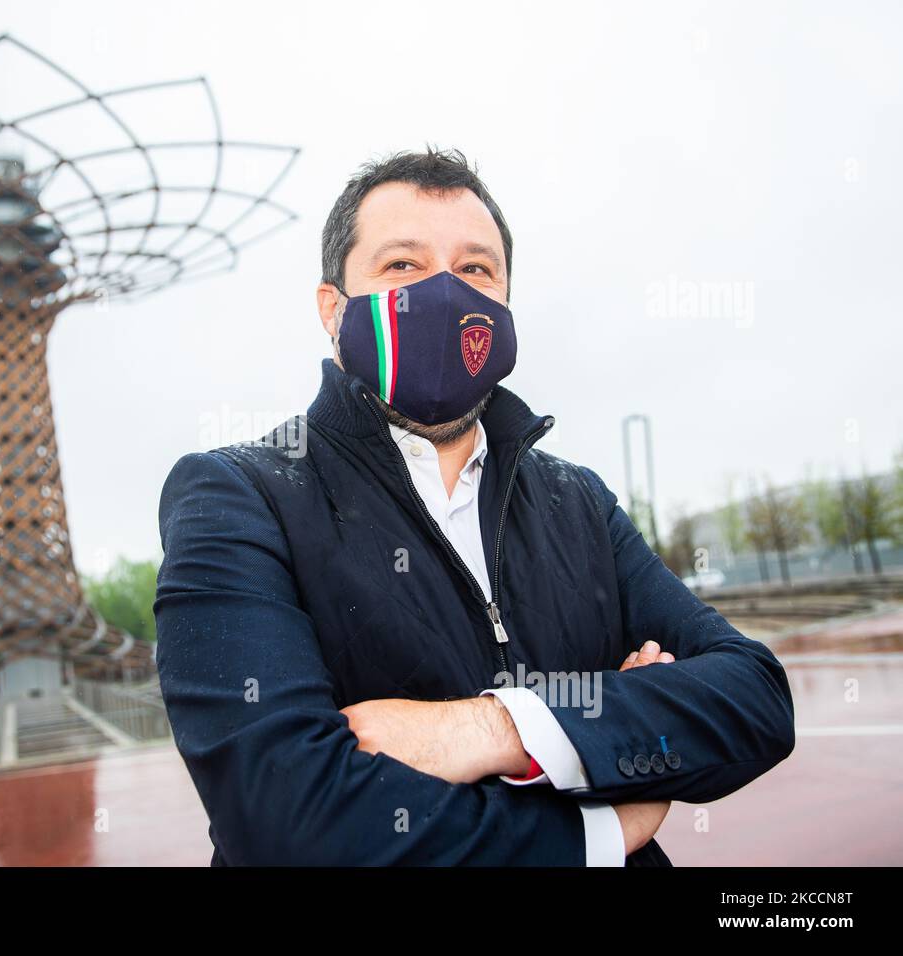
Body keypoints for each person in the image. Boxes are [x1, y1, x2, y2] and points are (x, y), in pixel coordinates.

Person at [152, 147, 796, 865]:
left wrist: (493, 731)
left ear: (505, 303)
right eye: (403, 265)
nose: (445, 293)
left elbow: (754, 698)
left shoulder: (577, 500)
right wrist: (603, 822)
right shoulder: (238, 496)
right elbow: (285, 817)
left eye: (475, 269)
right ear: (333, 309)